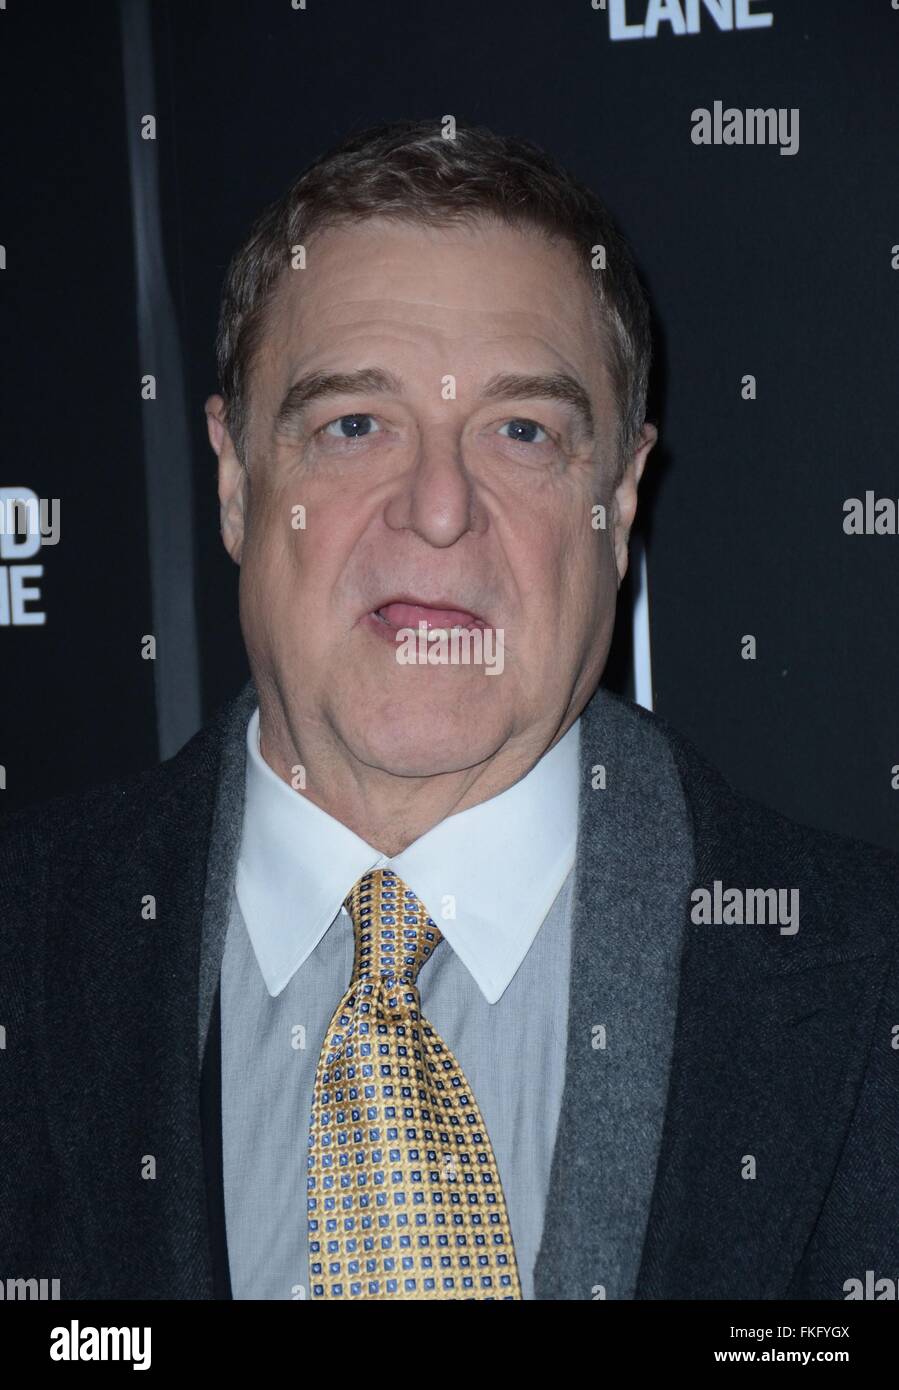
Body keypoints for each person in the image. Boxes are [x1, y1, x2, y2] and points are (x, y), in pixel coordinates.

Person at [2, 119, 898, 1301]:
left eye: (520, 430)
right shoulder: (26, 943)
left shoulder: (862, 979)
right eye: (353, 424)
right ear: (232, 478)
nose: (436, 509)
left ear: (617, 498)